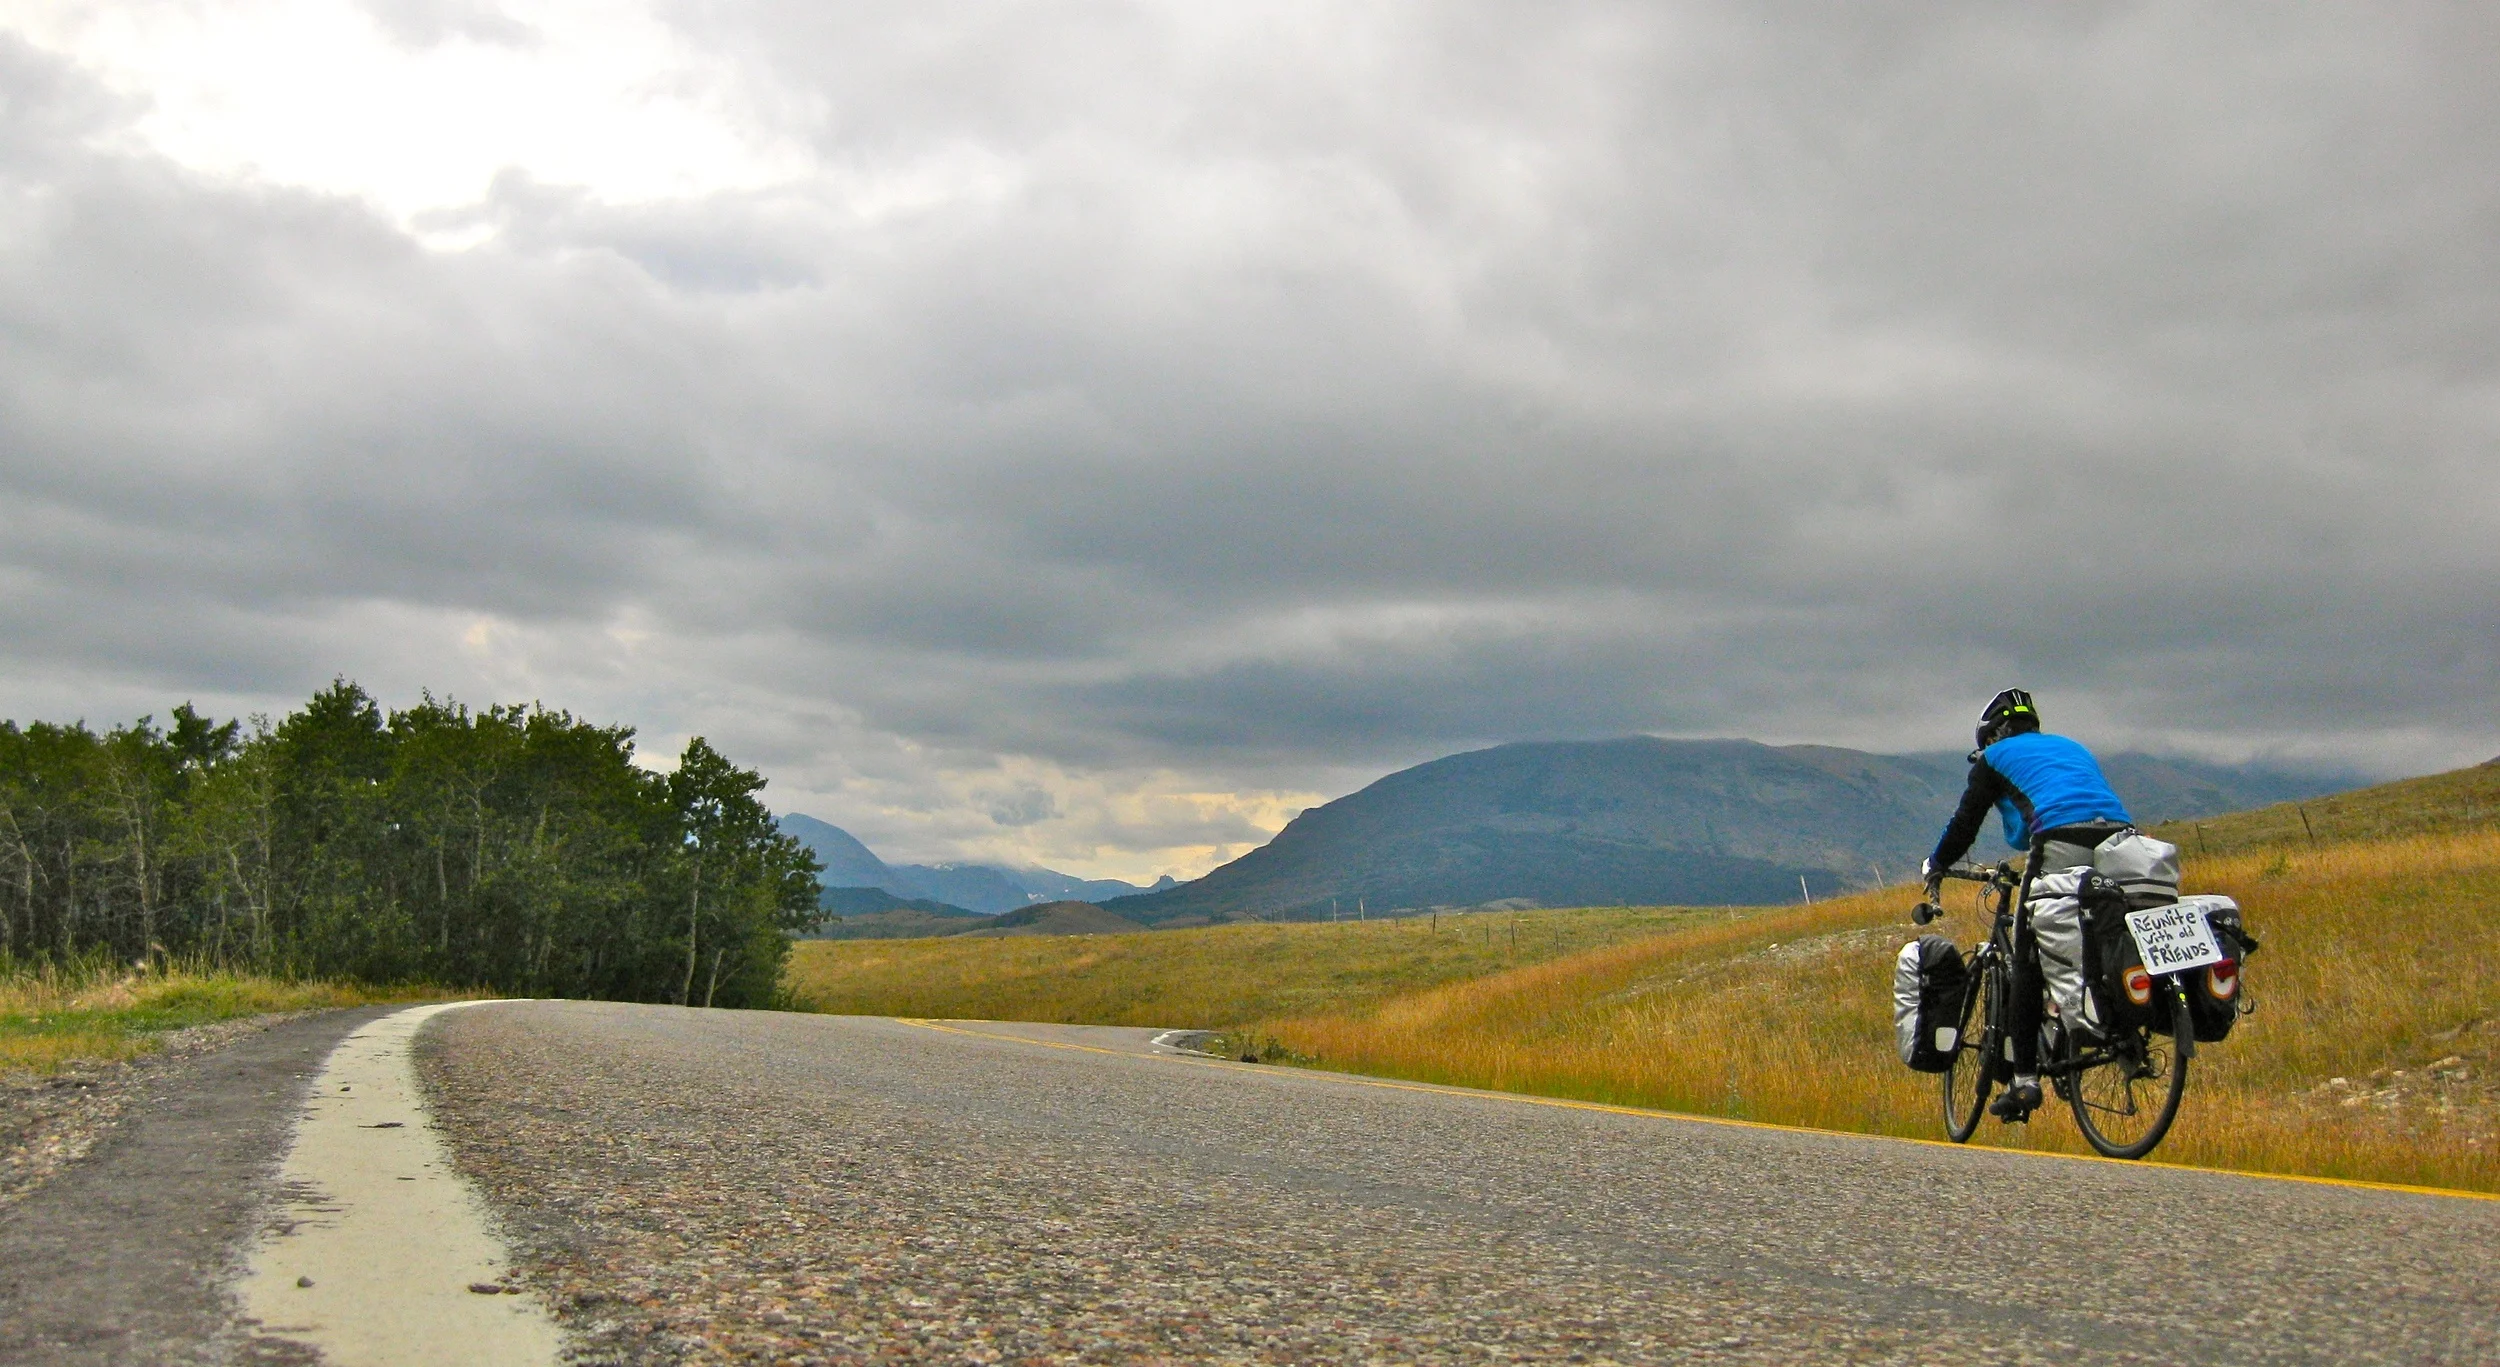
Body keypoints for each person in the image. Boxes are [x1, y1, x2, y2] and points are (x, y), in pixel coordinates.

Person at [1921, 689, 2133, 1121]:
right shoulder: (2070, 746)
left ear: (1992, 734)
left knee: (2027, 955)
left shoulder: (1993, 760)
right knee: (2104, 927)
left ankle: (2024, 1082)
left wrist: (1937, 864)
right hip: (2123, 840)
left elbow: (1965, 823)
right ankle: (2113, 1016)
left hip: (2060, 838)